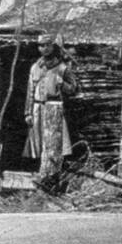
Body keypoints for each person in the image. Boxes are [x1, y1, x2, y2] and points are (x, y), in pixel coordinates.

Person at [24, 34, 78, 190]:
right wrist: (27, 112)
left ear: (53, 47)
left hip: (54, 108)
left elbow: (74, 89)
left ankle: (53, 176)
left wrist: (62, 84)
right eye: (41, 45)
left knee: (55, 145)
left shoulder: (62, 68)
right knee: (37, 141)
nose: (44, 48)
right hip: (37, 108)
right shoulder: (35, 68)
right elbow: (30, 90)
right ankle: (39, 174)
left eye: (47, 45)